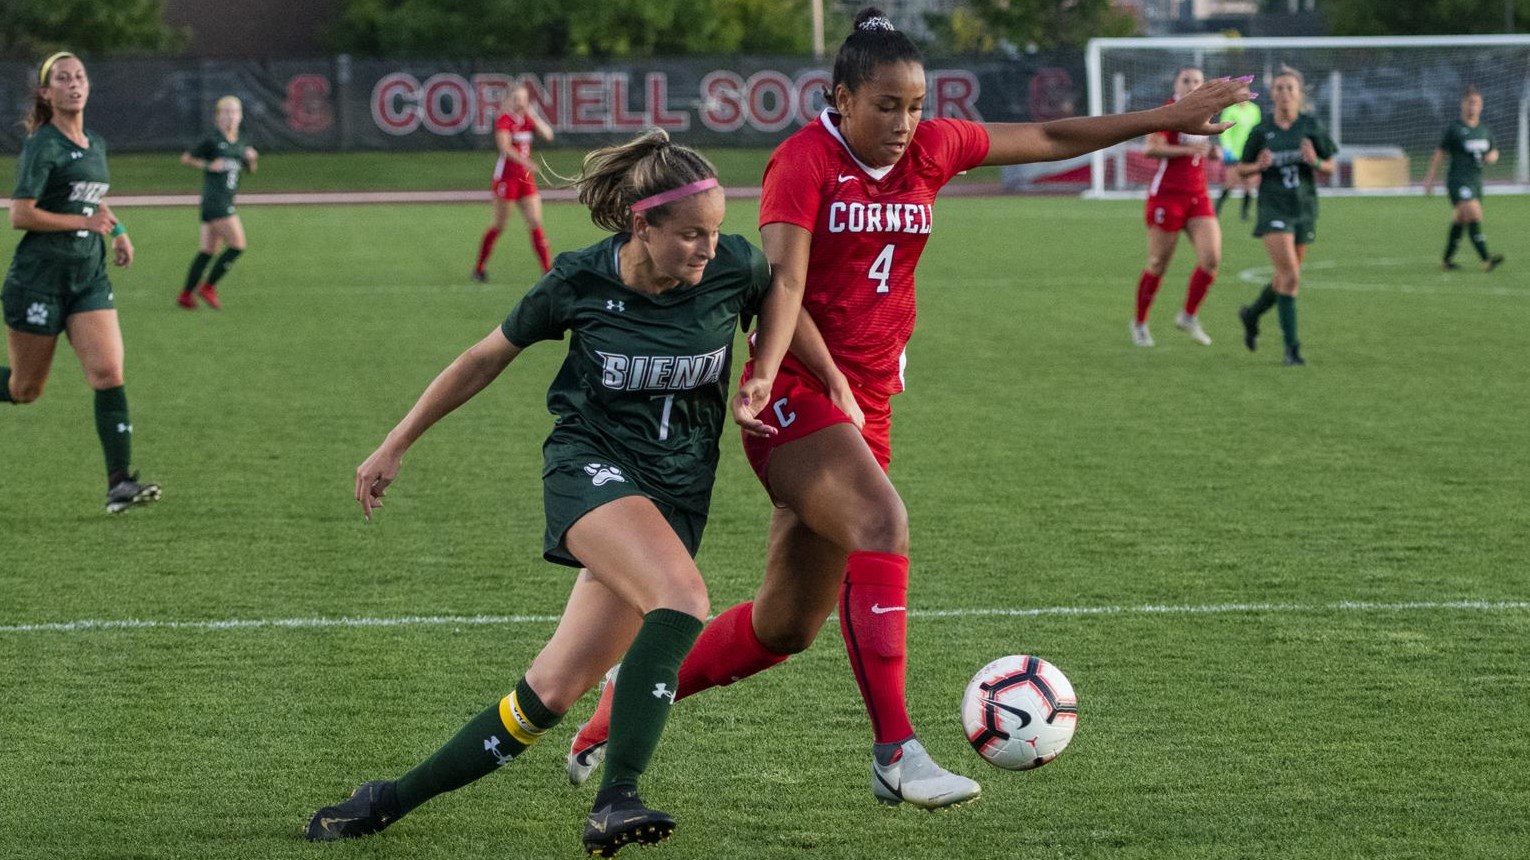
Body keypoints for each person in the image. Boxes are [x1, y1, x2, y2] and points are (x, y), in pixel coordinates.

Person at [565, 8, 1252, 810]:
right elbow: (781, 283)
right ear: (842, 97)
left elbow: (1053, 138)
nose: (904, 123)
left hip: (870, 406)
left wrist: (1163, 119)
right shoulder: (804, 160)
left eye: (917, 104)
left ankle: (613, 708)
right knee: (883, 525)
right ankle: (896, 753)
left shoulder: (934, 149)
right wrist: (767, 373)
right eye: (885, 105)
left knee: (785, 627)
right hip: (791, 396)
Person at [304, 129, 803, 857]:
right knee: (682, 599)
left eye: (717, 231)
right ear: (643, 224)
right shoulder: (579, 280)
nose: (708, 247)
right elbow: (482, 360)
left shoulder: (731, 267)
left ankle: (383, 802)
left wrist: (771, 368)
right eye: (692, 234)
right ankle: (616, 798)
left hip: (677, 495)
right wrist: (396, 442)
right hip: (590, 471)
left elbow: (780, 292)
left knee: (552, 691)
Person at [1, 51, 160, 513]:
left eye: (80, 77)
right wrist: (81, 223)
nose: (74, 84)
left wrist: (118, 230)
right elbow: (20, 213)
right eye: (63, 79)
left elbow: (91, 205)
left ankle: (119, 484)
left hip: (88, 276)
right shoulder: (42, 145)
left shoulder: (96, 143)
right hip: (38, 280)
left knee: (108, 373)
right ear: (46, 93)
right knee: (24, 390)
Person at [1236, 66, 1336, 367]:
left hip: (1303, 208)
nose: (1284, 94)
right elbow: (1241, 168)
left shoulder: (1309, 126)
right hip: (1273, 208)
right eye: (1279, 88)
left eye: (1290, 88)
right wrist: (1258, 166)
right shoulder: (1262, 130)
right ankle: (1292, 349)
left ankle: (1252, 314)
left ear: (1299, 93)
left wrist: (1315, 160)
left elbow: (1329, 166)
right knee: (1291, 276)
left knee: (1285, 276)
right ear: (1272, 94)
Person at [1133, 66, 1221, 348]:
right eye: (1186, 80)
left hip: (1198, 196)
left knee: (1211, 259)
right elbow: (1150, 147)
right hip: (1167, 196)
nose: (1192, 85)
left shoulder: (1205, 113)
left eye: (1197, 80)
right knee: (1158, 263)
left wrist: (1214, 152)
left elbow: (1202, 151)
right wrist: (1188, 150)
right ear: (1176, 84)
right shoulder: (1168, 112)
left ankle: (1188, 315)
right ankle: (1140, 322)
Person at [177, 96, 258, 310]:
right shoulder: (212, 139)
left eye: (235, 112)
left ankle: (186, 295)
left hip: (225, 199)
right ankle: (208, 287)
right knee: (238, 246)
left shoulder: (241, 140)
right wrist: (207, 165)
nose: (231, 116)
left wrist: (252, 160)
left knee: (207, 250)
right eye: (226, 112)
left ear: (240, 116)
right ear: (218, 116)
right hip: (216, 201)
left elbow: (250, 170)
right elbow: (186, 158)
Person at [472, 83, 555, 282]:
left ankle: (547, 270)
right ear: (509, 100)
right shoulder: (504, 120)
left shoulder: (527, 119)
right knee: (499, 225)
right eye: (517, 98)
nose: (521, 102)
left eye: (524, 99)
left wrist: (534, 115)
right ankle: (479, 267)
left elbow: (549, 135)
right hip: (507, 179)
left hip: (526, 179)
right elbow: (505, 147)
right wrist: (526, 162)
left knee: (535, 221)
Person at [1424, 85, 1504, 273]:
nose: (1472, 107)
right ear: (1462, 105)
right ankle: (1486, 260)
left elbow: (1493, 151)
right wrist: (1430, 180)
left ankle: (1446, 261)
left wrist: (1493, 156)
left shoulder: (1484, 131)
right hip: (1458, 180)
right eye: (1469, 103)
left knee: (1461, 219)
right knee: (1474, 213)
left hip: (1475, 181)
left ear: (1481, 106)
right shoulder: (1455, 129)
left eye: (1476, 103)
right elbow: (1439, 155)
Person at [1215, 96, 1262, 220]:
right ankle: (1215, 210)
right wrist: (1227, 148)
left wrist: (1258, 147)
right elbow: (1224, 131)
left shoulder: (1254, 109)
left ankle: (1244, 214)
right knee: (1230, 183)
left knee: (1249, 184)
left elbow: (1258, 130)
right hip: (1234, 153)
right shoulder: (1230, 110)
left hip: (1249, 153)